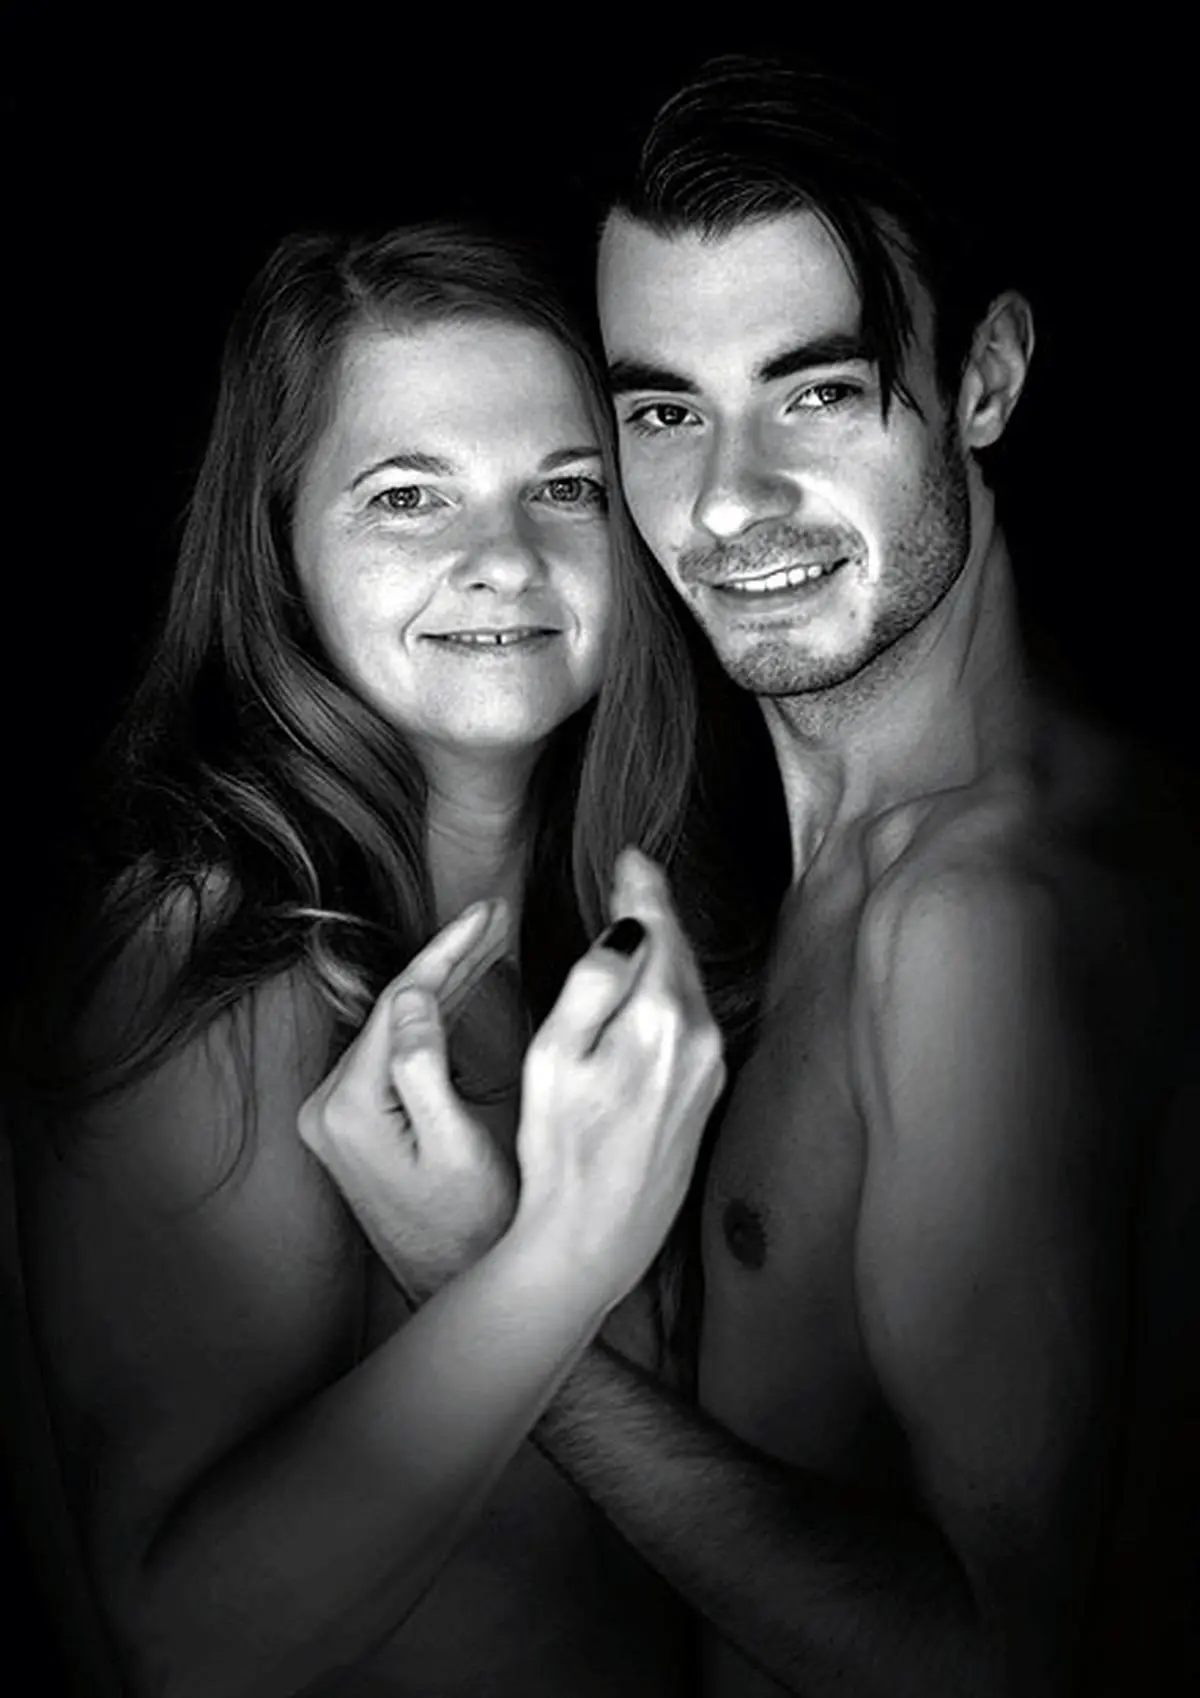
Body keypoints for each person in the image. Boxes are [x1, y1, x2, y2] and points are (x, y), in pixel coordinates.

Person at [342, 57, 1199, 1698]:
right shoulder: (738, 849)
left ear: (985, 379)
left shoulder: (978, 922)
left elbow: (1001, 1661)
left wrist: (487, 1298)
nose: (729, 498)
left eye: (815, 394)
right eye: (666, 411)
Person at [9, 222, 750, 1698]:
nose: (506, 558)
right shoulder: (222, 957)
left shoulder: (624, 936)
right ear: (278, 550)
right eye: (409, 496)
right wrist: (561, 1261)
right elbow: (187, 1645)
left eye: (567, 488)